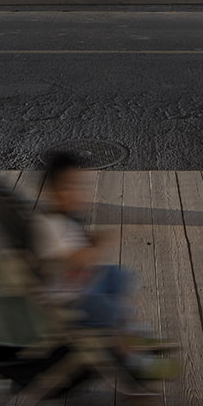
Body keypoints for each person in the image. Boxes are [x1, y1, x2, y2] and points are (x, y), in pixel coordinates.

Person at [31, 150, 174, 378]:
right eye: (69, 187)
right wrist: (95, 249)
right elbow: (69, 260)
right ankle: (136, 363)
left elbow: (75, 242)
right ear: (50, 191)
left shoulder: (64, 218)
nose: (78, 194)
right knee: (113, 312)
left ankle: (136, 333)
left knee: (121, 277)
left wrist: (91, 239)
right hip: (71, 300)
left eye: (81, 187)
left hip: (85, 284)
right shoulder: (47, 225)